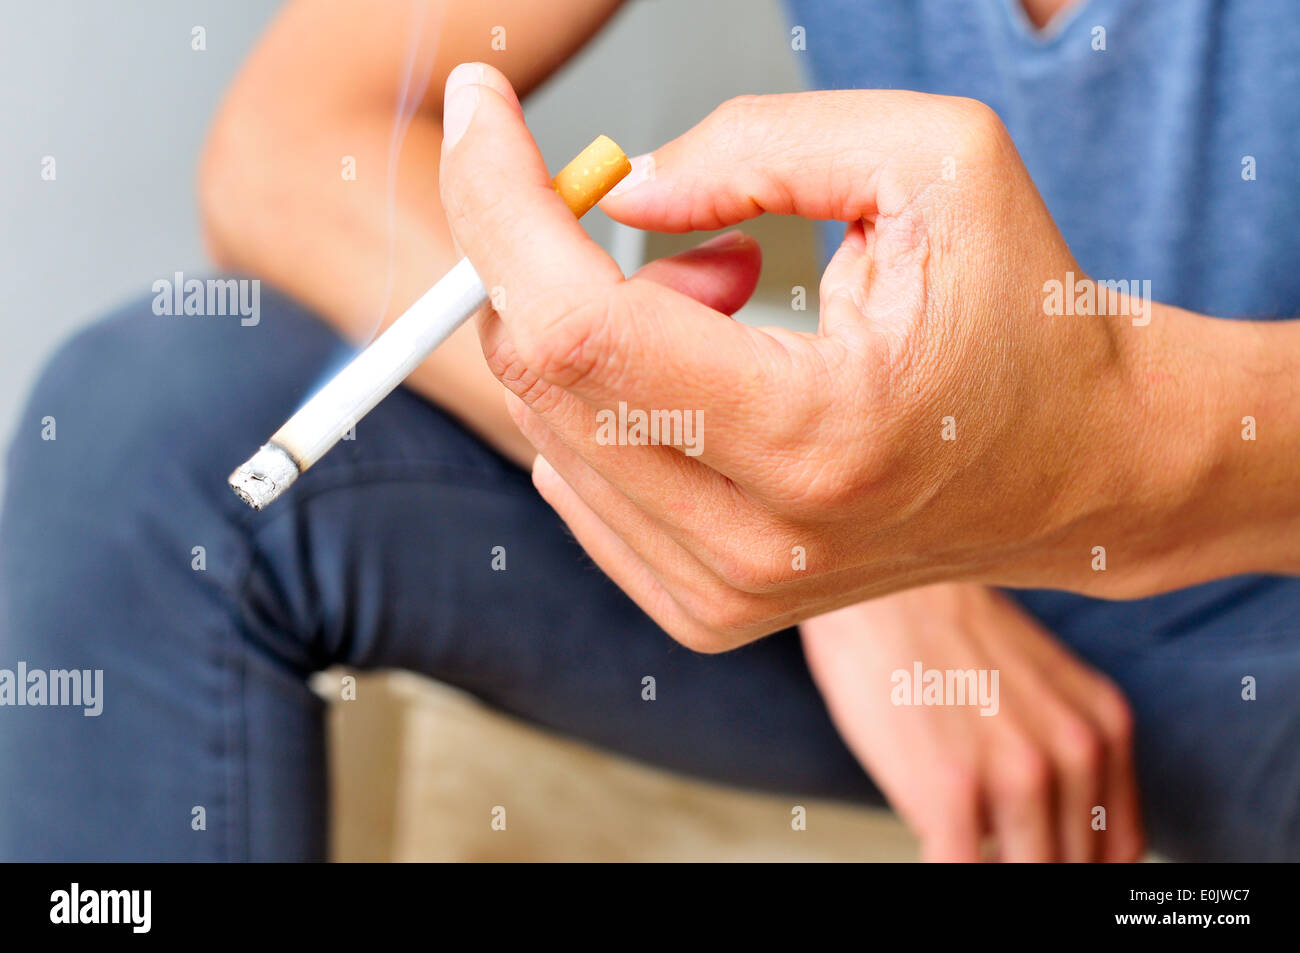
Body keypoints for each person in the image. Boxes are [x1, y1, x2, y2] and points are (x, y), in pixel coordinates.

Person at [2, 0, 1297, 862]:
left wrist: (1102, 458)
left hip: (1261, 599)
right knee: (152, 432)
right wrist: (833, 537)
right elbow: (283, 143)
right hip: (909, 545)